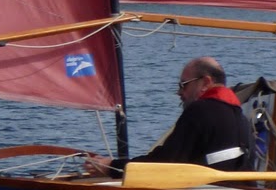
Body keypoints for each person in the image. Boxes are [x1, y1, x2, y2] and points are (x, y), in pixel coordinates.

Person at [84, 56, 254, 175]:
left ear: (206, 83)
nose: (179, 92)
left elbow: (165, 164)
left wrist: (112, 167)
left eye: (184, 85)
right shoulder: (240, 117)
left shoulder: (201, 111)